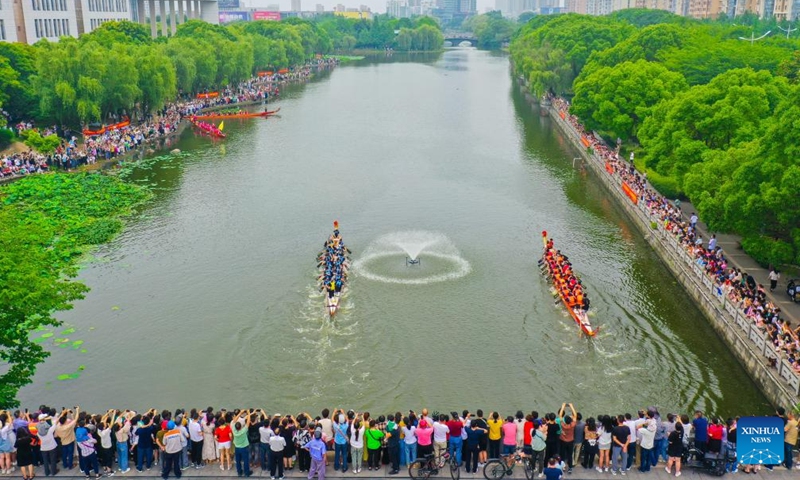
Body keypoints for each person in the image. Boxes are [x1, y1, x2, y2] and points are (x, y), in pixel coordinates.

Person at [232, 411, 253, 477]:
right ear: (241, 426)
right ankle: (247, 473)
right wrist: (249, 413)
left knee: (238, 461)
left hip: (237, 448)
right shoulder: (243, 431)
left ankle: (239, 472)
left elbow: (234, 421)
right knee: (246, 460)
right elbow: (248, 422)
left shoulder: (234, 430)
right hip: (244, 448)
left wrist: (240, 413)